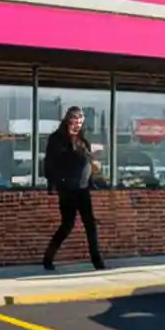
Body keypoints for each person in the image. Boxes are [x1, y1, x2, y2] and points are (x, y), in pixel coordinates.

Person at [42, 106, 106, 271]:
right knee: (67, 225)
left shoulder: (82, 138)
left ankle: (97, 260)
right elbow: (51, 163)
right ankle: (48, 258)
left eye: (80, 122)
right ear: (68, 120)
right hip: (68, 188)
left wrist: (93, 166)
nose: (77, 125)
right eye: (75, 121)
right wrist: (56, 184)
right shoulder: (57, 139)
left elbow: (86, 157)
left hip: (83, 187)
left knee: (90, 224)